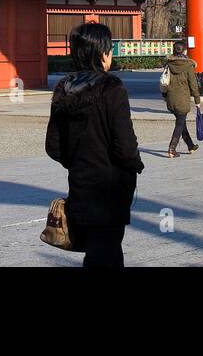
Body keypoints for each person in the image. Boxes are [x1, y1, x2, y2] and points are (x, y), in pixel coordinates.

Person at [45, 23, 144, 268]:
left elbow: (53, 146)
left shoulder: (63, 89)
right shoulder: (112, 88)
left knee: (95, 251)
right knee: (108, 251)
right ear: (102, 53)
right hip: (111, 185)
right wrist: (134, 164)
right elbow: (125, 143)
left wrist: (77, 161)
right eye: (109, 49)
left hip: (81, 182)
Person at [162, 41, 202, 157]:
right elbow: (193, 84)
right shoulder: (188, 65)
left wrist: (164, 96)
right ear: (184, 51)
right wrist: (197, 101)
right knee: (179, 123)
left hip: (170, 99)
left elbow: (164, 80)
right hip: (182, 99)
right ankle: (172, 148)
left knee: (181, 121)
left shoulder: (168, 64)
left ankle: (190, 145)